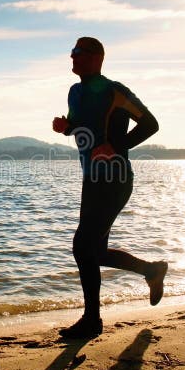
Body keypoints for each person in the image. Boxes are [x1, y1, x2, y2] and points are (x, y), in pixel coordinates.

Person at [52, 36, 168, 339]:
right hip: (91, 179)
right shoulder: (74, 92)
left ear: (96, 57)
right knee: (95, 252)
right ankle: (152, 271)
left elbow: (151, 124)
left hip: (115, 179)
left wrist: (116, 145)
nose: (72, 56)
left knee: (82, 247)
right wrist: (67, 127)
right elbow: (81, 126)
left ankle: (92, 320)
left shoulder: (115, 91)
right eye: (72, 52)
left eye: (78, 52)